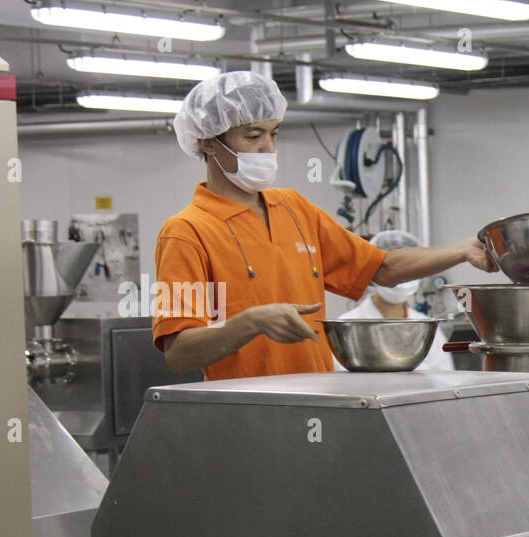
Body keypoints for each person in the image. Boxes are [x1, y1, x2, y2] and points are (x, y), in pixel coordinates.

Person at [155, 71, 494, 379]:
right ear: (207, 142)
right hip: (247, 414)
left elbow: (384, 267)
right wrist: (251, 322)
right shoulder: (186, 232)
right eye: (252, 136)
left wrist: (462, 250)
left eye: (273, 134)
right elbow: (179, 352)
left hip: (317, 404)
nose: (267, 148)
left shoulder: (294, 209)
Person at [335, 229, 454, 371]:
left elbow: (445, 378)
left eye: (408, 270)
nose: (399, 278)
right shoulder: (347, 326)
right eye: (392, 270)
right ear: (373, 270)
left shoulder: (428, 328)